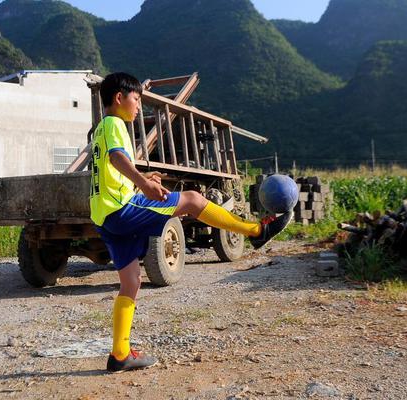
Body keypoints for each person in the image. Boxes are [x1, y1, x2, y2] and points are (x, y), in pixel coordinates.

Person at [90, 72, 293, 373]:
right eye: (136, 100)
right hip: (120, 210)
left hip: (105, 216)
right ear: (119, 98)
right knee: (193, 200)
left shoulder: (99, 130)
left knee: (131, 282)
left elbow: (112, 170)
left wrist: (142, 179)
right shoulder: (114, 124)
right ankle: (256, 231)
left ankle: (119, 354)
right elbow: (119, 159)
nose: (138, 108)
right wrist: (143, 185)